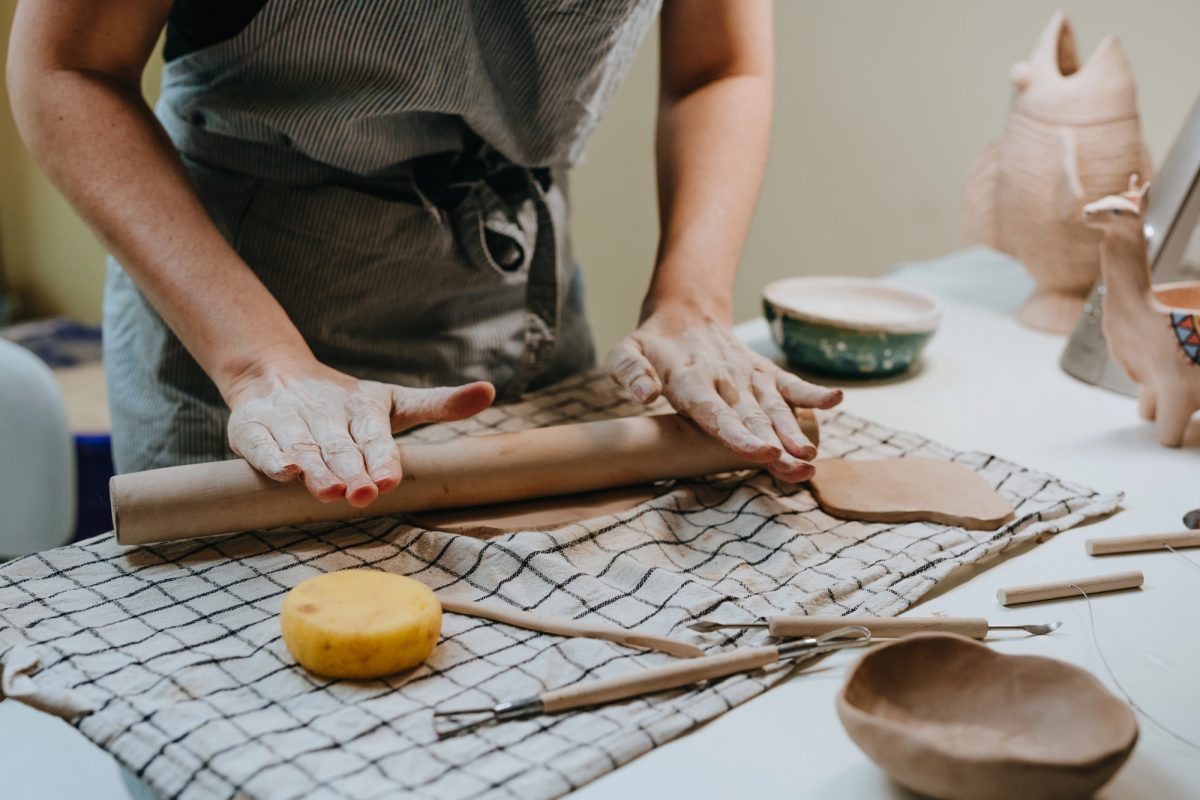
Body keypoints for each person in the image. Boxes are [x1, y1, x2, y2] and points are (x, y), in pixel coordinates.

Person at [8, 0, 841, 509]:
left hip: (525, 277)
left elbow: (717, 65)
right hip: (246, 296)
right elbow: (67, 65)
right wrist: (261, 363)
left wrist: (691, 301)